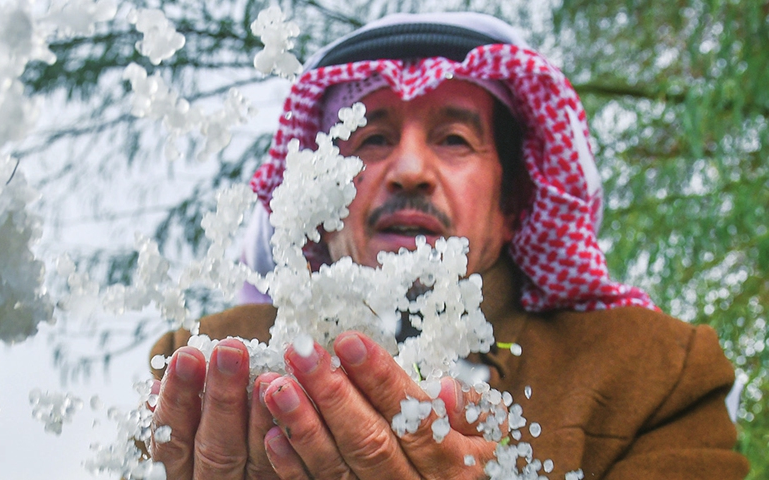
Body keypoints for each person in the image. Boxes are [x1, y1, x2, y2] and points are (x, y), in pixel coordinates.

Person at [147, 12, 750, 479]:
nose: (409, 168)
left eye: (455, 139)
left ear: (515, 202)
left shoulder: (655, 374)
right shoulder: (203, 364)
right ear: (314, 204)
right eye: (372, 139)